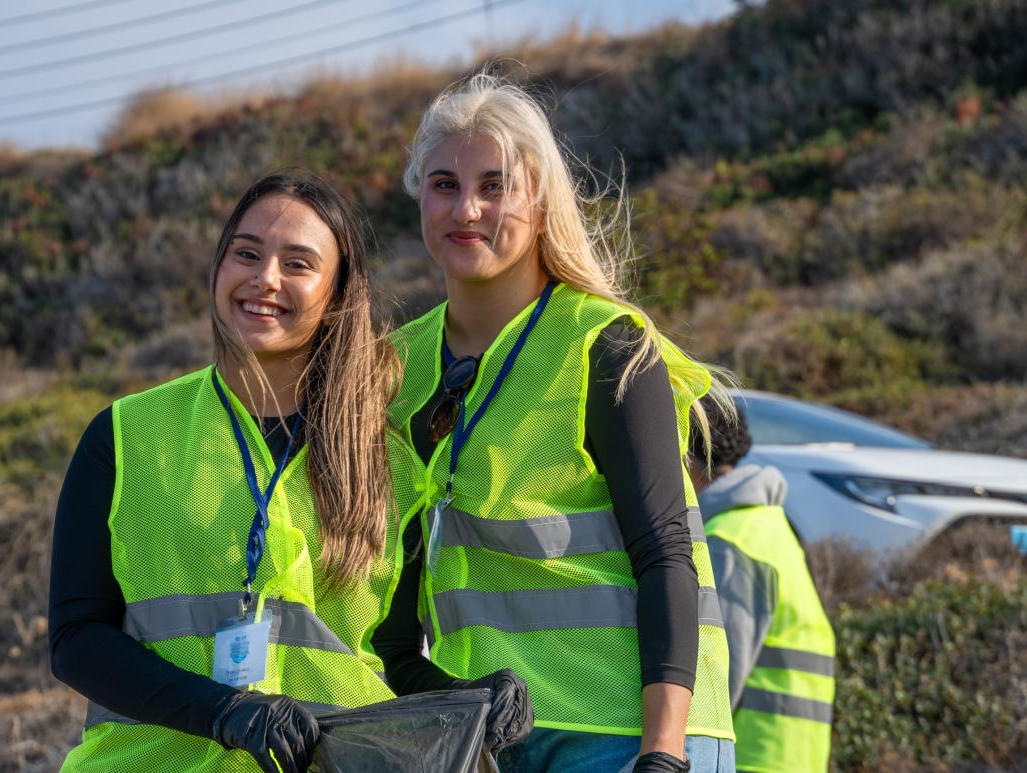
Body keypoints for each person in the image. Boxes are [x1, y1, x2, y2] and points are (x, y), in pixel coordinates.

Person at [371, 73, 736, 773]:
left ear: (539, 202)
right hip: (488, 736)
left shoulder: (604, 341)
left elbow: (665, 554)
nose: (466, 208)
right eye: (444, 184)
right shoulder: (397, 365)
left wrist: (662, 752)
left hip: (630, 729)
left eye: (495, 185)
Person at [48, 172, 429, 773]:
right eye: (246, 253)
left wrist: (469, 690)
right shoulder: (125, 436)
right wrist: (222, 711)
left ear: (336, 294)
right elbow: (76, 640)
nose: (265, 278)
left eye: (298, 264)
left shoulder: (388, 462)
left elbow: (393, 655)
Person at [691, 399, 836, 773]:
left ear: (686, 460)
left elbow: (719, 680)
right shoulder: (766, 524)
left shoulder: (729, 541)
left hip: (752, 758)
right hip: (786, 756)